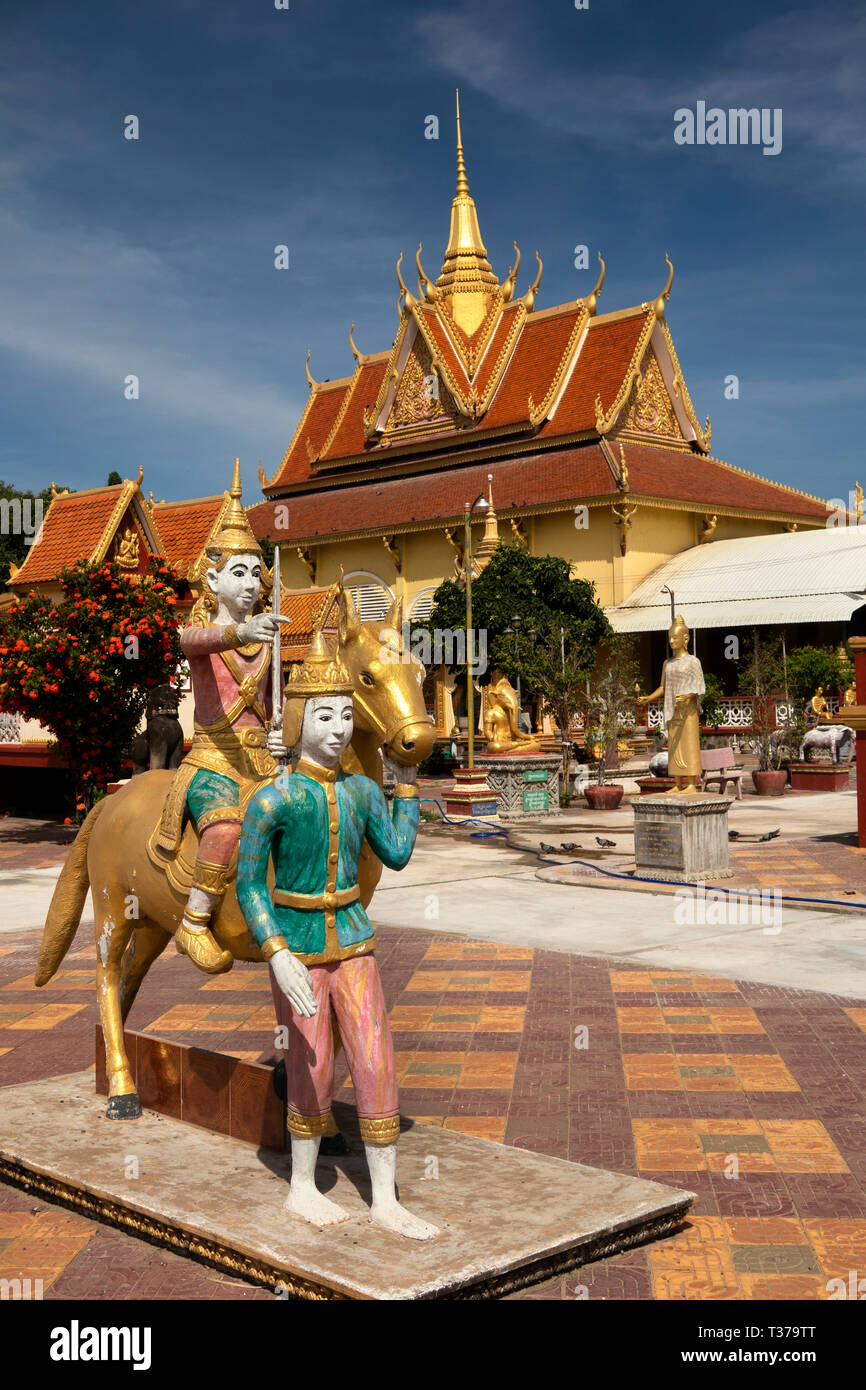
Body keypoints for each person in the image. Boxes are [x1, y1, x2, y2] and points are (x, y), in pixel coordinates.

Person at [236, 626, 438, 1240]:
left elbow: (398, 853)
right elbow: (248, 885)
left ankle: (385, 1199)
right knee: (314, 1064)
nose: (339, 728)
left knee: (376, 1059)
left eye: (347, 715)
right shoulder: (274, 800)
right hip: (296, 945)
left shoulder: (359, 791)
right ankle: (301, 1188)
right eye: (324, 715)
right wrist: (275, 954)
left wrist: (404, 783)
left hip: (354, 938)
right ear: (298, 721)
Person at [155, 460, 286, 973]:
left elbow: (280, 706)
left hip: (263, 763)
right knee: (225, 830)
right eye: (238, 572)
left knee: (314, 817)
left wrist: (285, 740)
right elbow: (193, 639)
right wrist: (240, 633)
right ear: (212, 578)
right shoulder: (204, 635)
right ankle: (193, 921)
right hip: (212, 762)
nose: (251, 584)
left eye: (257, 573)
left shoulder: (270, 640)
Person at [638, 614, 705, 793]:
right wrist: (649, 698)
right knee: (674, 745)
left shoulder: (693, 662)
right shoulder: (667, 664)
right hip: (673, 709)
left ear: (686, 638)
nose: (672, 641)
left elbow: (699, 687)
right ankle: (677, 782)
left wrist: (689, 696)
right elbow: (663, 687)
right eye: (670, 638)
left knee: (689, 744)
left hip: (688, 710)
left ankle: (691, 783)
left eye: (675, 637)